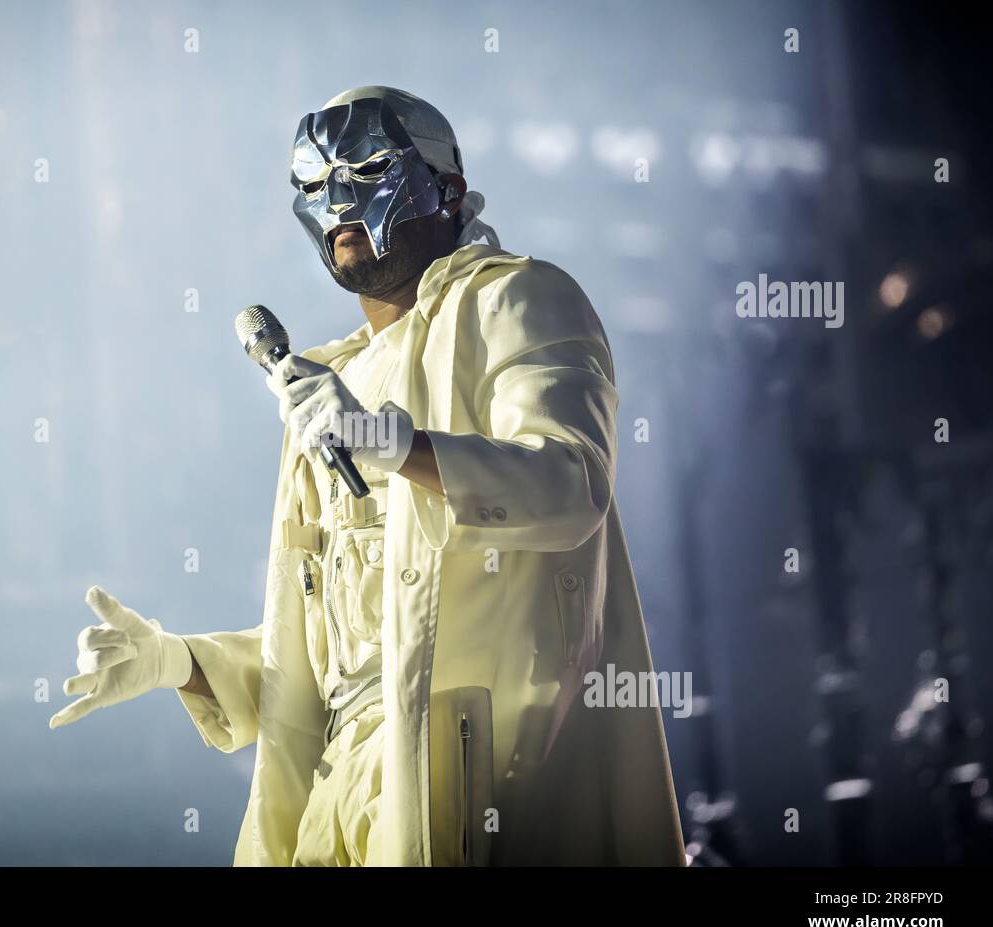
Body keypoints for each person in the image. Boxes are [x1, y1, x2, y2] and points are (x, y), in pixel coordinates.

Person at [50, 85, 685, 867]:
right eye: (314, 184)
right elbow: (338, 651)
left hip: (482, 778)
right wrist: (177, 662)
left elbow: (570, 485)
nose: (339, 199)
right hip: (337, 799)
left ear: (447, 186)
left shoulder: (517, 298)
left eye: (372, 167)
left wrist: (392, 445)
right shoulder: (326, 382)